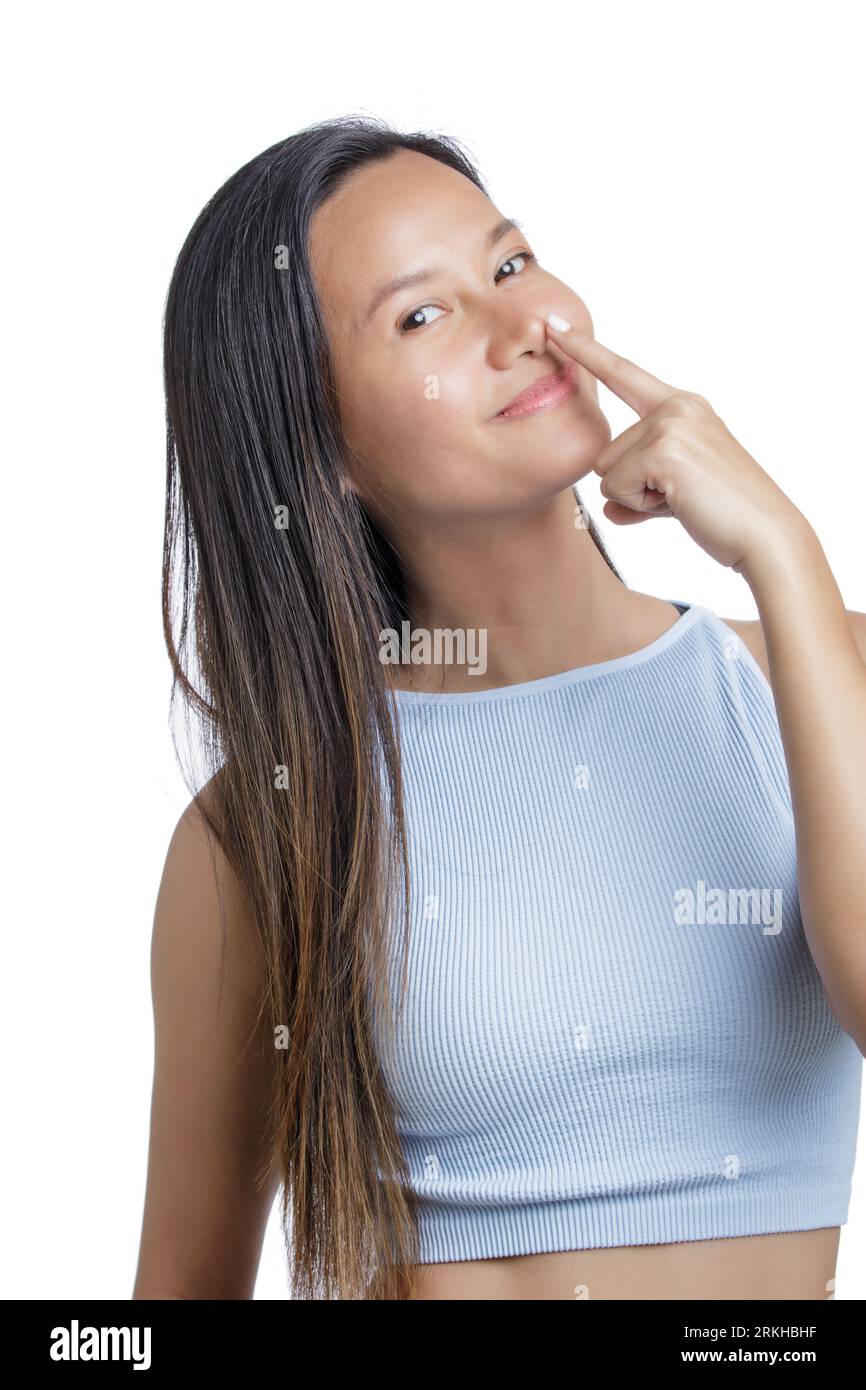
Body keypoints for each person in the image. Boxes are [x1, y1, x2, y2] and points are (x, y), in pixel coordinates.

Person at [133, 114, 866, 1302]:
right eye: (424, 316)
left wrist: (786, 556)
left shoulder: (818, 677)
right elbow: (174, 1295)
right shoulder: (264, 828)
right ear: (325, 451)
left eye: (510, 264)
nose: (526, 327)